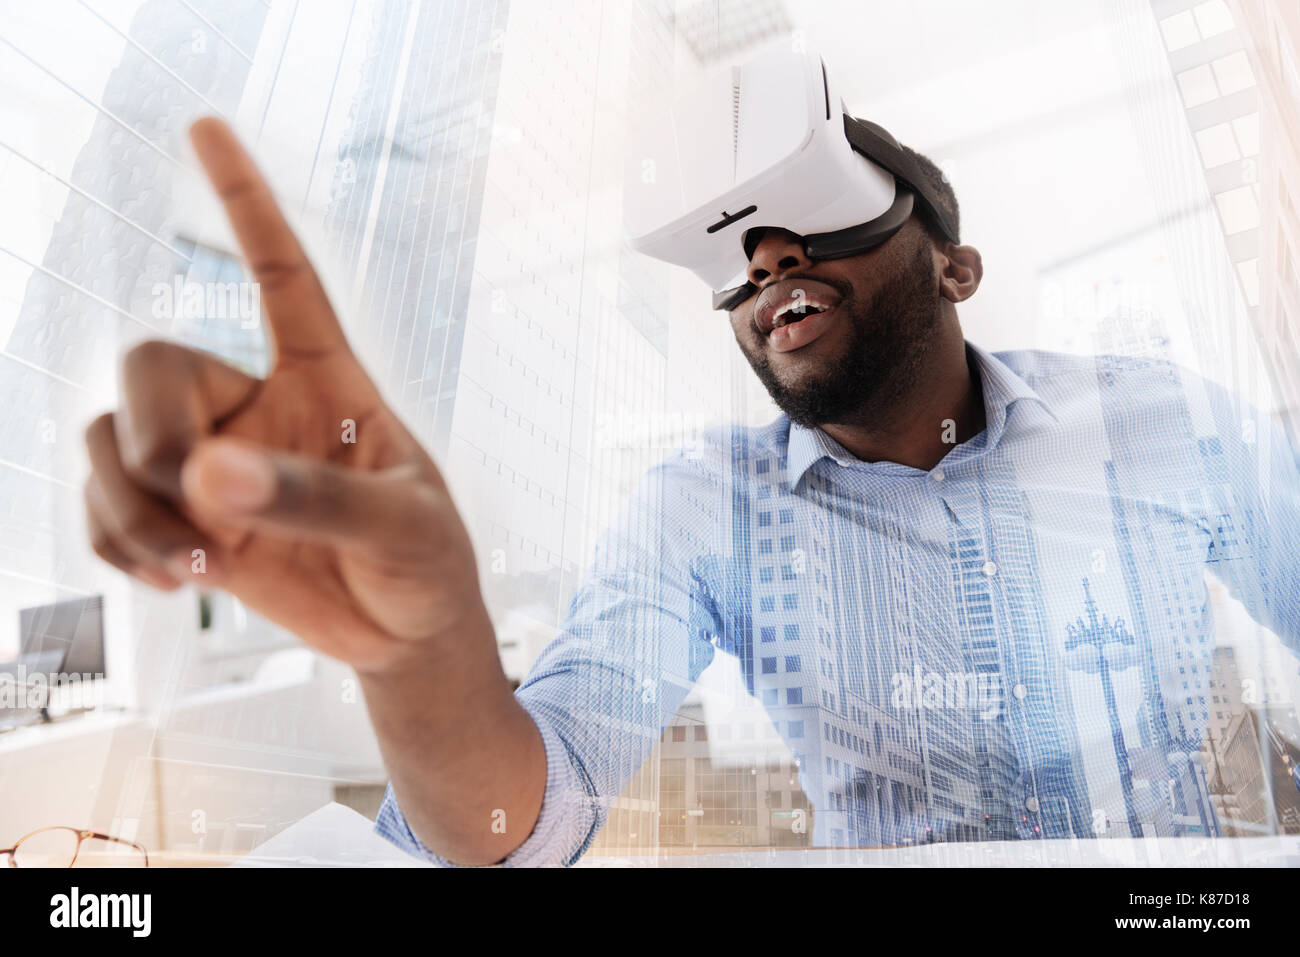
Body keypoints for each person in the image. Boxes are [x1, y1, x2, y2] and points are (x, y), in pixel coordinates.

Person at [83, 115, 1300, 868]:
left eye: (821, 216)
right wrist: (422, 658)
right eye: (739, 260)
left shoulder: (1163, 419)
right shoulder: (699, 509)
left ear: (952, 262)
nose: (771, 259)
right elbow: (519, 827)